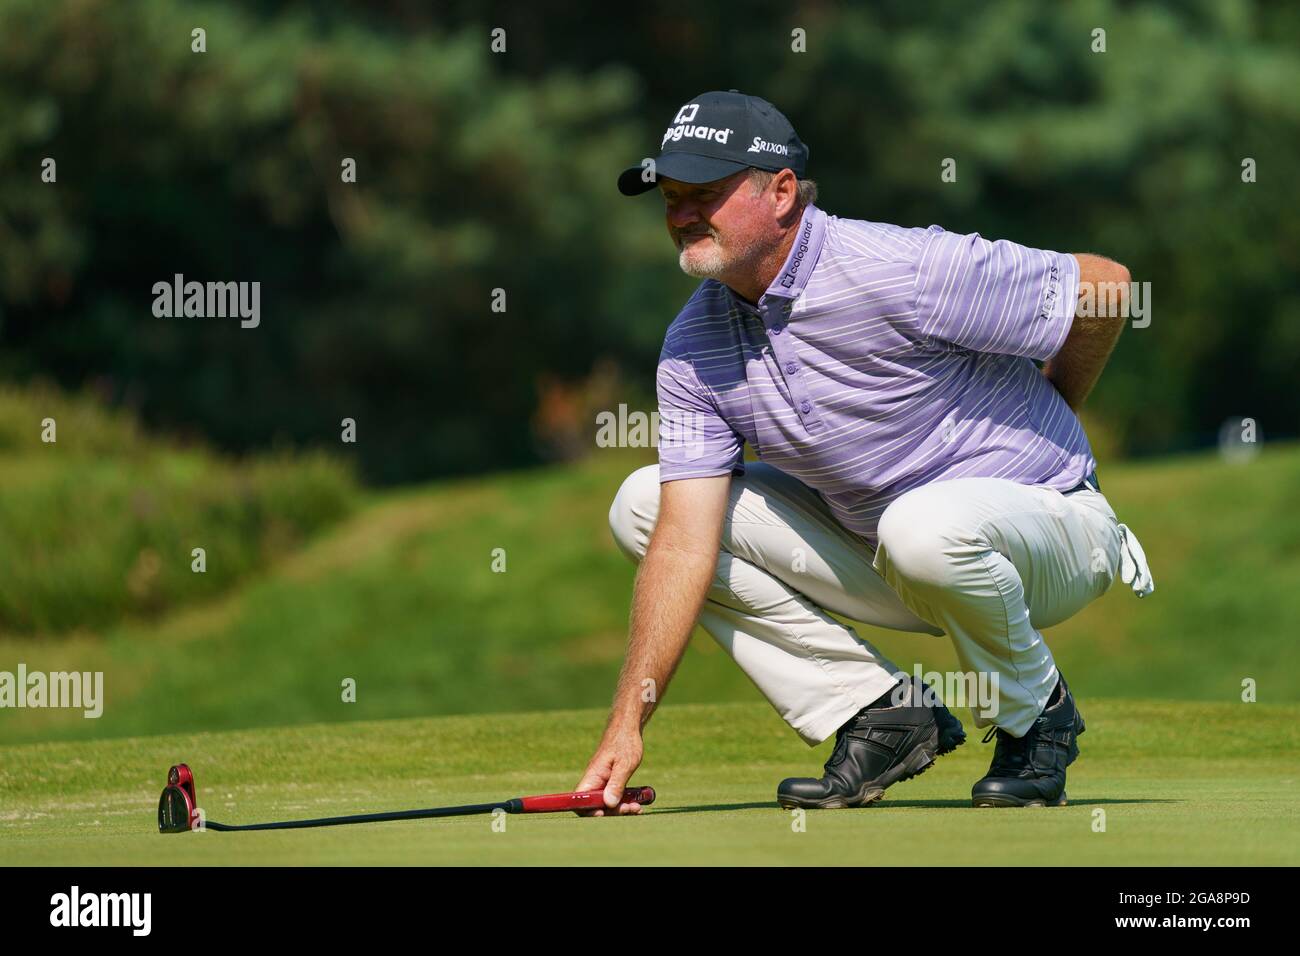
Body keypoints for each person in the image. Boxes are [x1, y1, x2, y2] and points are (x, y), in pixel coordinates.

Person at [576, 90, 1154, 814]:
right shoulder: (693, 348)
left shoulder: (898, 268)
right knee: (644, 503)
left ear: (781, 192)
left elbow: (1107, 289)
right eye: (671, 197)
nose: (683, 214)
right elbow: (683, 546)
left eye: (706, 194)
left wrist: (1059, 403)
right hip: (891, 554)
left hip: (1052, 531)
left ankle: (1037, 717)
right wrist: (627, 727)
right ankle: (882, 713)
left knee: (926, 527)